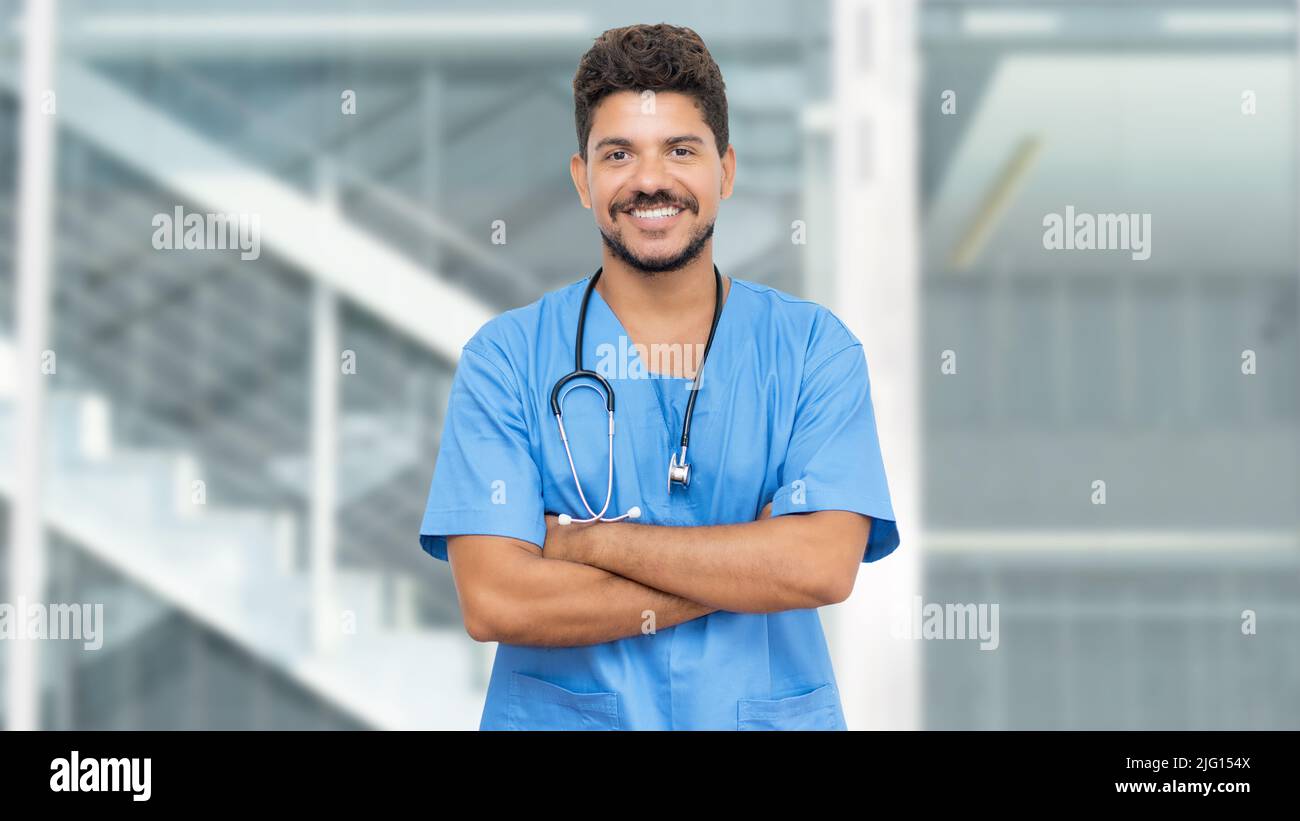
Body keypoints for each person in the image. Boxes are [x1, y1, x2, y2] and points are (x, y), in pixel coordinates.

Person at [418, 23, 899, 730]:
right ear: (583, 179)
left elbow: (821, 568)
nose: (650, 180)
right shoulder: (507, 359)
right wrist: (749, 564)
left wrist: (586, 542)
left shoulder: (813, 351)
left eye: (680, 150)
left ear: (725, 170)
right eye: (619, 154)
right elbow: (497, 602)